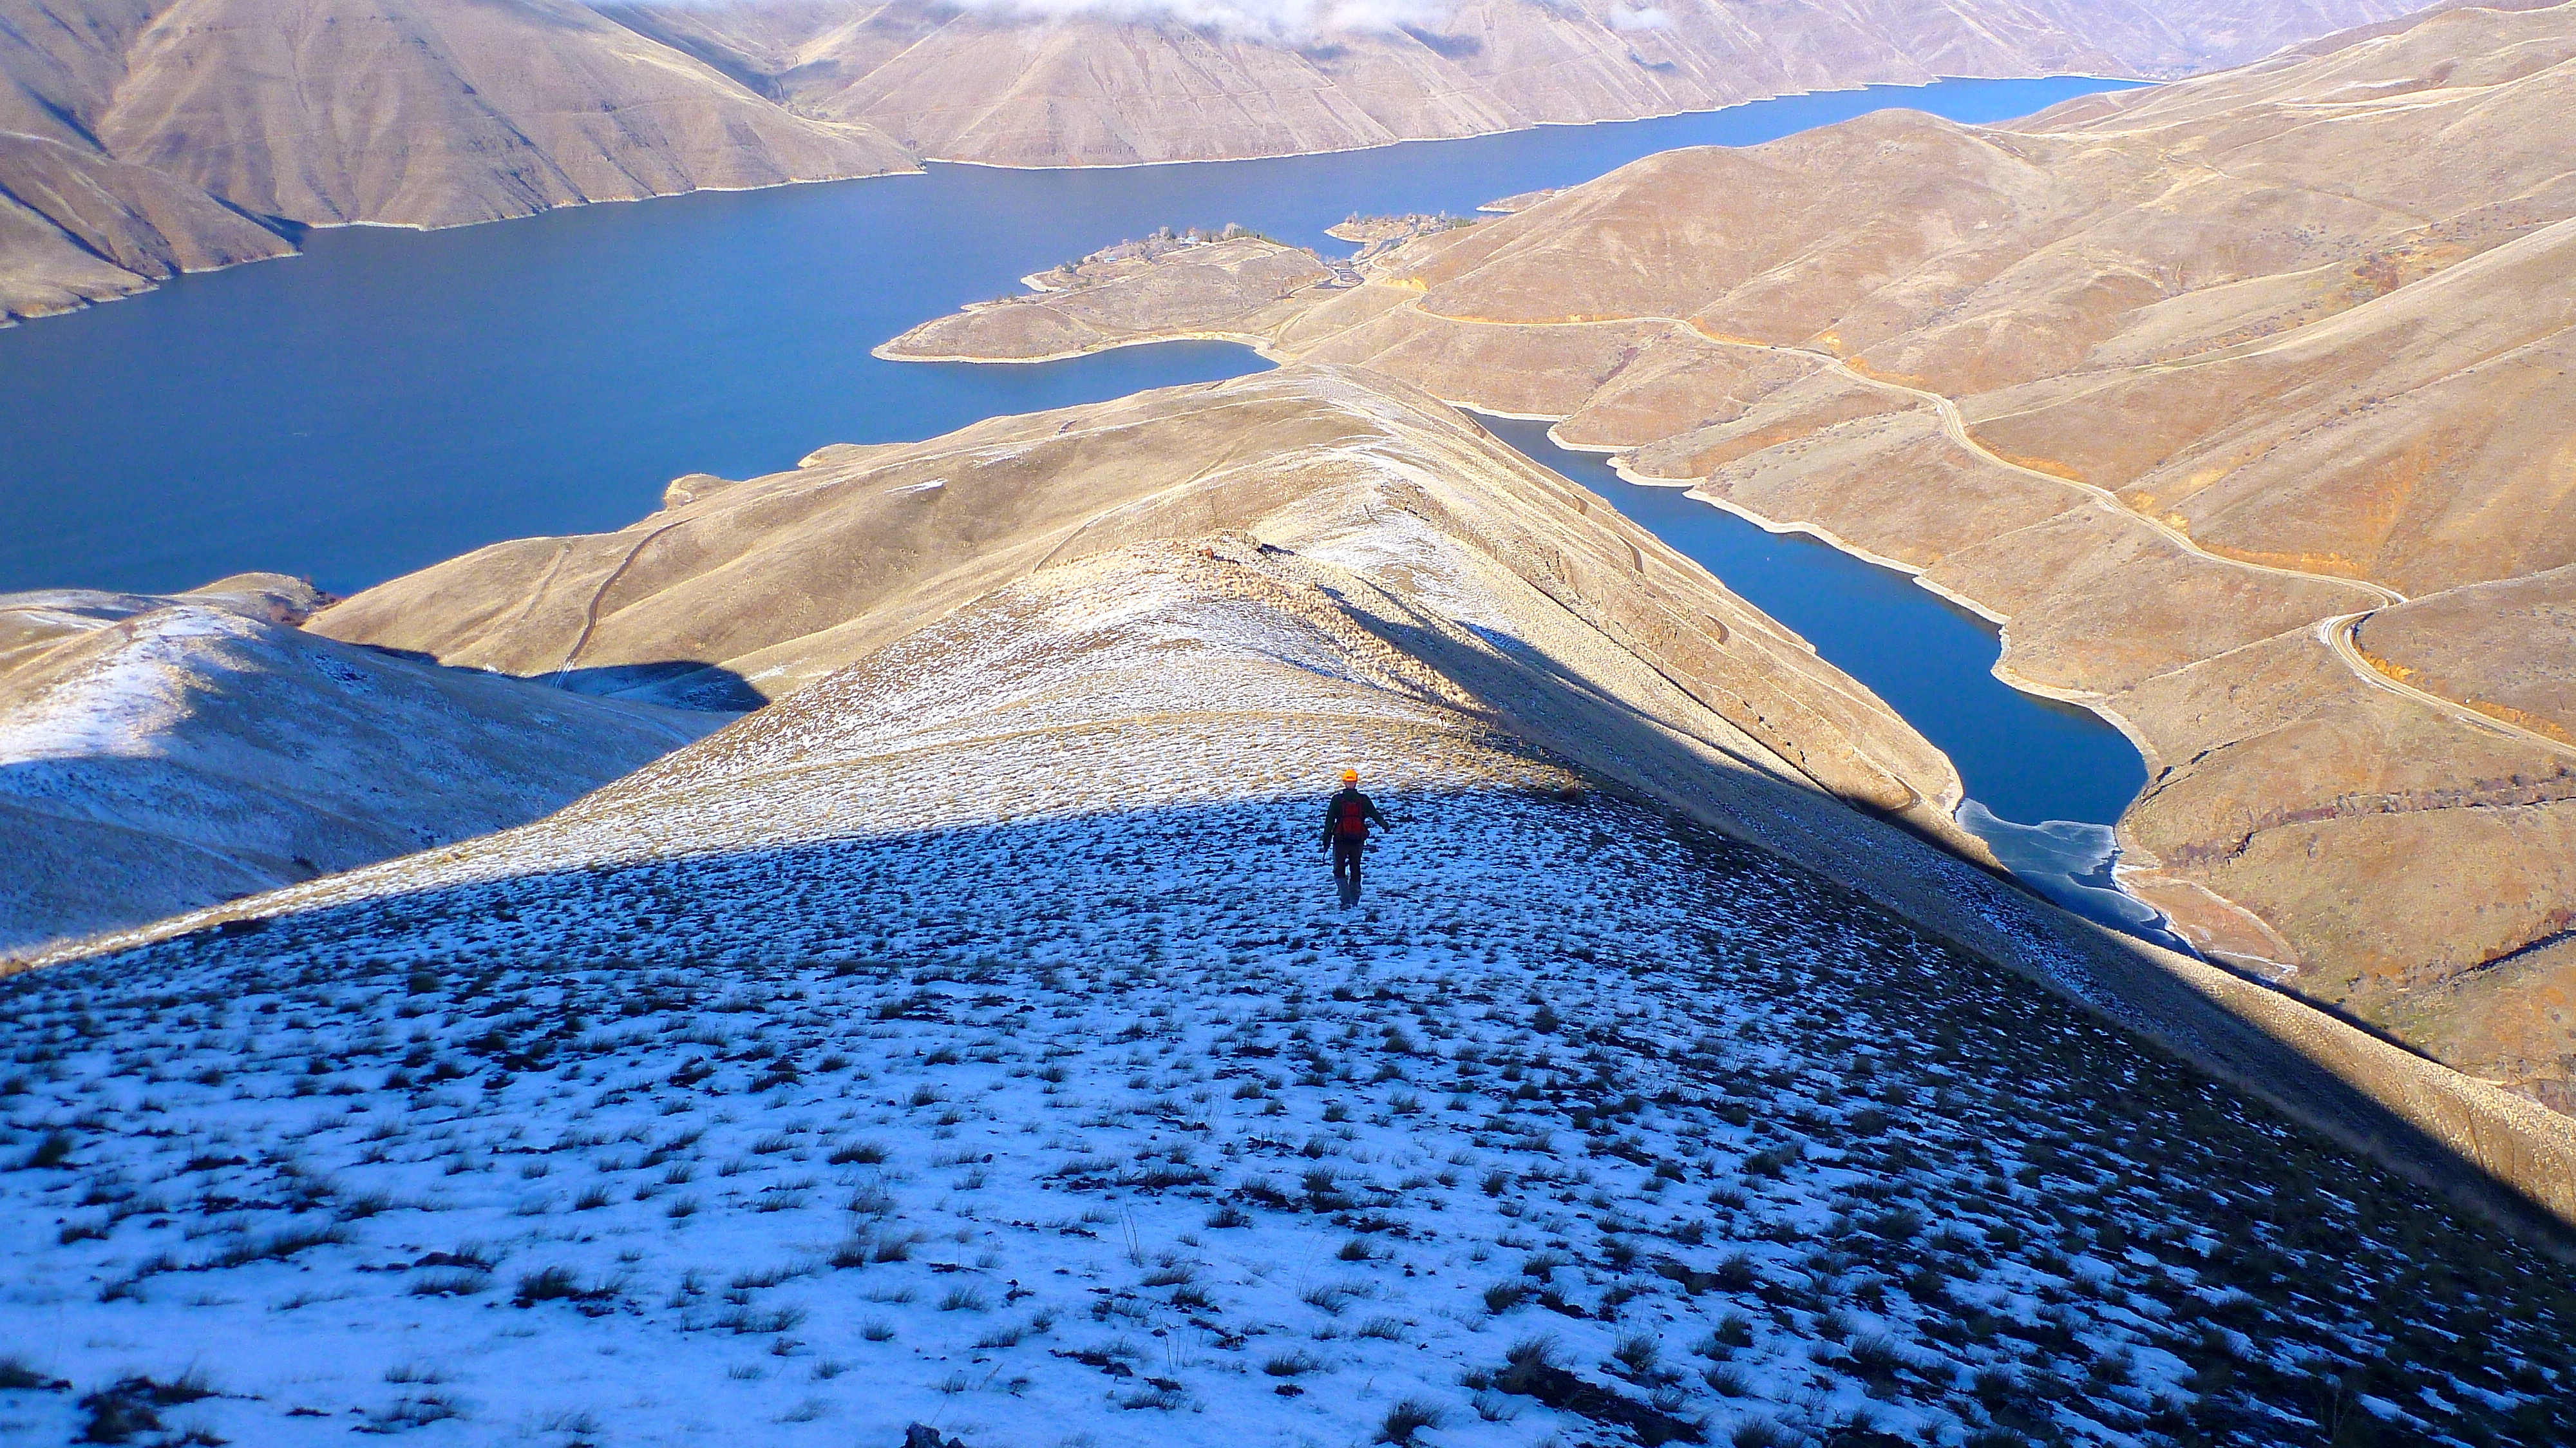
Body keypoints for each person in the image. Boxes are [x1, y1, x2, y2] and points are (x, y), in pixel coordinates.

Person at [1322, 768, 1391, 907]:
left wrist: (1326, 840)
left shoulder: (1337, 800)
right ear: (1356, 782)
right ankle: (1355, 899)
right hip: (1357, 839)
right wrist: (1384, 825)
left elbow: (1330, 820)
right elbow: (1374, 814)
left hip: (1340, 839)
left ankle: (1345, 898)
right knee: (1356, 867)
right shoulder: (1363, 800)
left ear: (1344, 782)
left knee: (1339, 868)